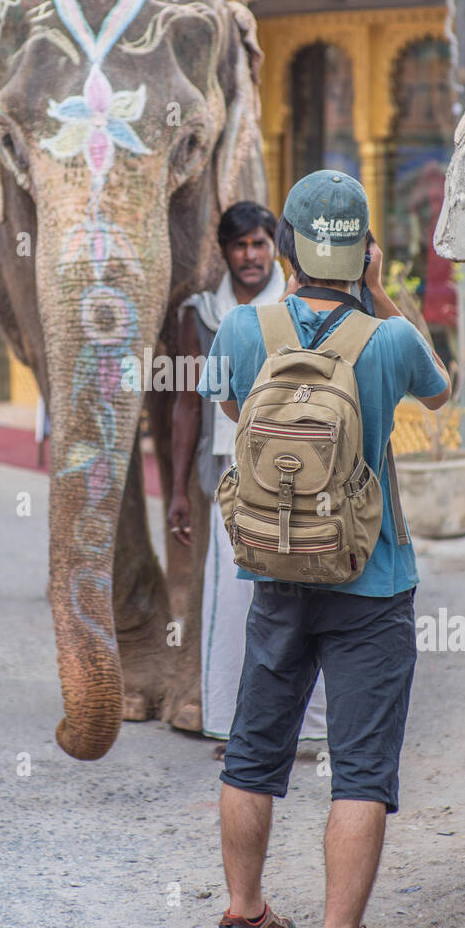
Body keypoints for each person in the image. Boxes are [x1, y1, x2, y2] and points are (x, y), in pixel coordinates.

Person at [197, 170, 451, 928]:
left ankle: (245, 917)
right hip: (370, 581)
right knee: (361, 768)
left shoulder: (243, 325)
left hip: (274, 570)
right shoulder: (388, 340)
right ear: (361, 248)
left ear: (291, 247)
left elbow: (235, 410)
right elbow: (442, 389)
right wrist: (377, 291)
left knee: (254, 748)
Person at [168, 202, 327, 755]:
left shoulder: (295, 304)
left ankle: (308, 726)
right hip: (230, 476)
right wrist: (177, 490)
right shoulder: (204, 314)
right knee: (233, 602)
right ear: (225, 252)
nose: (251, 255)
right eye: (240, 246)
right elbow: (190, 404)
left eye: (260, 244)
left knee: (298, 591)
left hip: (294, 470)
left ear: (273, 250)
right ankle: (238, 726)